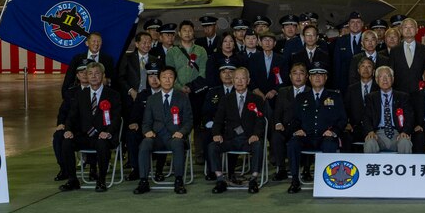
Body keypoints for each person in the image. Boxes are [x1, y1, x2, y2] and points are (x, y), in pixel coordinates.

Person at [57, 62, 123, 192]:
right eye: (90, 73)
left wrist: (108, 132)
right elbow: (72, 116)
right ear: (86, 76)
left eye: (97, 73)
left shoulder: (113, 95)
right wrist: (68, 130)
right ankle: (72, 180)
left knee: (102, 144)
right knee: (66, 142)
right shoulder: (80, 94)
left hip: (104, 135)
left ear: (103, 75)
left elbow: (117, 118)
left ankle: (101, 180)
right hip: (85, 135)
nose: (93, 76)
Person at [286, 63, 346, 193]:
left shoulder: (335, 96)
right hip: (306, 136)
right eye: (314, 75)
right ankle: (295, 180)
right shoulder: (301, 97)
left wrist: (334, 132)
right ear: (309, 78)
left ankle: (328, 181)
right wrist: (296, 130)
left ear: (326, 78)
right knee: (292, 144)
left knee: (330, 144)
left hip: (325, 136)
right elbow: (294, 119)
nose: (317, 77)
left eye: (321, 75)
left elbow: (342, 119)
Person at [207, 68, 268, 193]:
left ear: (248, 81)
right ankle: (220, 180)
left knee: (258, 145)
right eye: (237, 78)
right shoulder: (226, 99)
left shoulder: (257, 99)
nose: (240, 81)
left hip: (249, 139)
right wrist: (216, 134)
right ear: (233, 81)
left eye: (243, 78)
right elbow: (218, 120)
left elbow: (260, 120)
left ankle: (253, 180)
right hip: (230, 139)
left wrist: (256, 134)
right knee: (212, 146)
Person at [134, 66, 194, 194]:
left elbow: (189, 121)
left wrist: (182, 132)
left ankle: (179, 180)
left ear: (174, 80)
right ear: (159, 80)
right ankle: (143, 181)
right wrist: (147, 131)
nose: (167, 80)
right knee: (145, 143)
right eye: (164, 77)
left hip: (175, 136)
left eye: (170, 77)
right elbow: (146, 122)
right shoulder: (152, 99)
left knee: (178, 144)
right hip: (156, 137)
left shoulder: (182, 97)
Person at [362, 65, 413, 153]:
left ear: (392, 79)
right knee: (370, 142)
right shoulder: (371, 98)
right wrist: (370, 131)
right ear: (377, 80)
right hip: (378, 134)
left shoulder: (402, 97)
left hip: (397, 133)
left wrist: (405, 132)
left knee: (405, 142)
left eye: (388, 76)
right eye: (381, 76)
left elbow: (409, 117)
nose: (385, 79)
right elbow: (366, 117)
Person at [52, 63, 89, 181]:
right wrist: (60, 124)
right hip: (72, 128)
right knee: (58, 136)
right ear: (77, 76)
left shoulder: (99, 91)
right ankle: (65, 168)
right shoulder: (71, 92)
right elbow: (63, 111)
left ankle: (93, 169)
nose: (84, 75)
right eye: (81, 72)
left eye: (87, 72)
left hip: (90, 129)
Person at [390, 17, 425, 94]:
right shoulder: (394, 51)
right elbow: (391, 73)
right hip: (399, 93)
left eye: (411, 27)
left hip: (420, 93)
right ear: (401, 30)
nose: (408, 30)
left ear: (417, 30)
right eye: (405, 27)